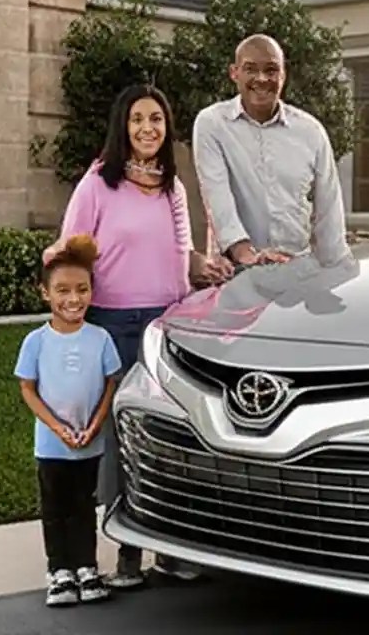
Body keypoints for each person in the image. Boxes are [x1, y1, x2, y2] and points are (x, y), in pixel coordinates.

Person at [44, 83, 233, 589]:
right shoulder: (96, 185)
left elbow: (181, 253)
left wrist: (204, 267)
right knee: (119, 439)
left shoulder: (172, 187)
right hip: (111, 325)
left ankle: (170, 547)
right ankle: (126, 549)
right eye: (137, 120)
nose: (147, 129)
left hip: (166, 327)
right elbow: (70, 251)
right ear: (122, 127)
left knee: (170, 437)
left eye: (156, 119)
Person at [16, 234, 122, 607]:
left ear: (92, 291)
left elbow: (111, 383)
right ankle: (59, 571)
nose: (73, 299)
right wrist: (56, 427)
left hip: (88, 443)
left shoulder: (100, 338)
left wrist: (95, 424)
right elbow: (28, 389)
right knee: (54, 508)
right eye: (62, 290)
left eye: (81, 289)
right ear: (46, 294)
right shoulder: (36, 342)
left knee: (83, 506)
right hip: (51, 445)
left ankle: (85, 567)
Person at [192, 33, 351, 268]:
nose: (262, 78)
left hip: (299, 274)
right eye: (250, 69)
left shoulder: (310, 131)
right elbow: (217, 197)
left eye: (271, 70)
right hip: (237, 274)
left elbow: (329, 212)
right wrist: (246, 255)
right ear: (234, 73)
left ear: (283, 75)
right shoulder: (212, 124)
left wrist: (338, 270)